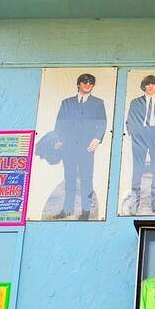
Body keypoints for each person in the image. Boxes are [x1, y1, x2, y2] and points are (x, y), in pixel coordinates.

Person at [41, 73, 108, 220]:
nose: (87, 84)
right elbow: (59, 122)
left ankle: (85, 211)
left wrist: (97, 139)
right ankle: (67, 209)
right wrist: (57, 139)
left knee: (86, 178)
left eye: (91, 82)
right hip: (68, 146)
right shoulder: (67, 103)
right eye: (84, 82)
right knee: (69, 177)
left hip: (87, 147)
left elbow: (102, 123)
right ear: (78, 84)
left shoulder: (98, 103)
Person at [125, 74, 155, 214]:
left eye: (153, 84)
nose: (150, 87)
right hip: (139, 136)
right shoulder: (135, 102)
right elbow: (129, 120)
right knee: (137, 169)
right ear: (144, 86)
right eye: (148, 84)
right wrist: (133, 133)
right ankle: (135, 204)